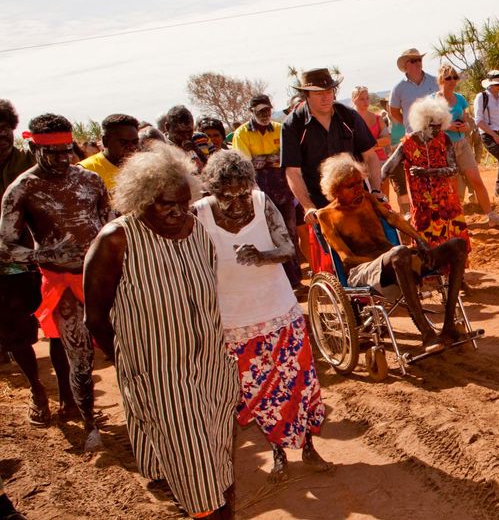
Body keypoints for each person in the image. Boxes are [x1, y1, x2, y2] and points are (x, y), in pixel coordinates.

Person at [84, 143, 238, 519]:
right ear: (141, 199)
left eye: (183, 204)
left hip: (213, 369)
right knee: (199, 477)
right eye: (165, 204)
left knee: (220, 467)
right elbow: (96, 318)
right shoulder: (116, 240)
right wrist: (132, 361)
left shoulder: (197, 232)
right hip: (162, 377)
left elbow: (209, 296)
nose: (176, 212)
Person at [193, 151, 328, 484]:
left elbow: (287, 250)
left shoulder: (262, 201)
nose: (238, 203)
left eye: (243, 193)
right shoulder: (198, 215)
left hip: (281, 314)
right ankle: (278, 453)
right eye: (227, 197)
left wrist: (261, 255)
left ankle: (309, 447)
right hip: (234, 325)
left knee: (300, 384)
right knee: (259, 394)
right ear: (212, 191)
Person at [0, 113, 105, 449]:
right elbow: (5, 247)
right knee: (80, 357)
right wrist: (43, 256)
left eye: (67, 150)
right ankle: (89, 424)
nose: (64, 158)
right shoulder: (22, 189)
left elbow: (109, 225)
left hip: (103, 279)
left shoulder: (90, 181)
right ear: (34, 149)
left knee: (126, 349)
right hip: (63, 283)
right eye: (54, 153)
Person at [316, 154, 469, 351]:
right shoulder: (326, 216)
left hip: (398, 261)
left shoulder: (367, 199)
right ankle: (427, 334)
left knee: (457, 245)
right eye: (351, 185)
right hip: (362, 271)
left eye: (360, 183)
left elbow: (393, 218)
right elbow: (347, 259)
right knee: (399, 254)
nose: (359, 189)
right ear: (335, 190)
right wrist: (392, 256)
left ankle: (449, 326)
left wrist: (421, 243)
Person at [0, 100, 50, 427]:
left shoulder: (28, 165)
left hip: (32, 261)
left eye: (5, 127)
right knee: (15, 332)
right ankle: (37, 391)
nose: (1, 134)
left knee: (44, 324)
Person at [281, 67, 382, 223]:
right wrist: (308, 207)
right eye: (319, 93)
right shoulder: (293, 125)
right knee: (336, 248)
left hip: (359, 201)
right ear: (306, 95)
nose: (326, 98)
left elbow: (370, 156)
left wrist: (375, 190)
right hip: (322, 209)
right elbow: (293, 172)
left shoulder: (349, 116)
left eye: (328, 92)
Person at [231, 93, 302, 288]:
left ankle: (295, 280)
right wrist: (270, 159)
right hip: (258, 192)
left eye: (268, 110)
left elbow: (287, 158)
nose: (265, 114)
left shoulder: (280, 129)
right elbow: (246, 166)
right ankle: (278, 283)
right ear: (251, 112)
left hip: (284, 189)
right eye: (260, 111)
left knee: (289, 233)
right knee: (267, 235)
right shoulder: (242, 134)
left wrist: (263, 160)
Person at [383, 98, 471, 252]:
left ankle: (454, 274)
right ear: (423, 123)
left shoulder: (445, 139)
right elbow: (387, 169)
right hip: (422, 205)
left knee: (454, 247)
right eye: (433, 127)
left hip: (446, 203)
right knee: (426, 250)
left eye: (439, 126)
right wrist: (375, 189)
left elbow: (453, 169)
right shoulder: (407, 144)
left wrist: (427, 172)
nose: (437, 130)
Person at [428, 65, 499, 227]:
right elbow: (428, 126)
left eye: (455, 77)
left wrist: (464, 127)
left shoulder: (460, 99)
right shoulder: (432, 100)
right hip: (444, 147)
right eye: (448, 78)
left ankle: (490, 214)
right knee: (453, 185)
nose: (452, 81)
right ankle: (456, 220)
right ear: (441, 80)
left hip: (462, 143)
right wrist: (447, 127)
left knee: (476, 179)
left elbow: (467, 122)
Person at [387, 49, 440, 212]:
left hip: (436, 136)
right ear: (405, 65)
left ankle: (440, 209)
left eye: (419, 60)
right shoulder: (398, 88)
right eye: (413, 60)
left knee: (438, 174)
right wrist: (409, 124)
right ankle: (424, 211)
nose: (418, 63)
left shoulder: (435, 81)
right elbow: (394, 111)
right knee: (418, 177)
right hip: (414, 139)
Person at [473, 74, 499, 201]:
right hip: (488, 135)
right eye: (497, 84)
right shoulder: (482, 97)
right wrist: (494, 135)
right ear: (490, 85)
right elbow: (479, 120)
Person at [78, 114, 141, 195]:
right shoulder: (85, 171)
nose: (131, 147)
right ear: (105, 141)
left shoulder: (142, 167)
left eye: (135, 142)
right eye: (123, 142)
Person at [352, 85, 389, 190]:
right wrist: (376, 145)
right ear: (354, 100)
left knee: (384, 198)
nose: (366, 101)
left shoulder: (377, 118)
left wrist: (366, 146)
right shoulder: (349, 120)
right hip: (361, 165)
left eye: (367, 98)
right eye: (362, 99)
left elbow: (387, 140)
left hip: (381, 161)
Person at [158, 105, 205, 171]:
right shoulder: (160, 148)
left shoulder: (201, 139)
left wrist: (198, 152)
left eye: (189, 131)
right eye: (181, 133)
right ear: (168, 127)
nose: (186, 136)